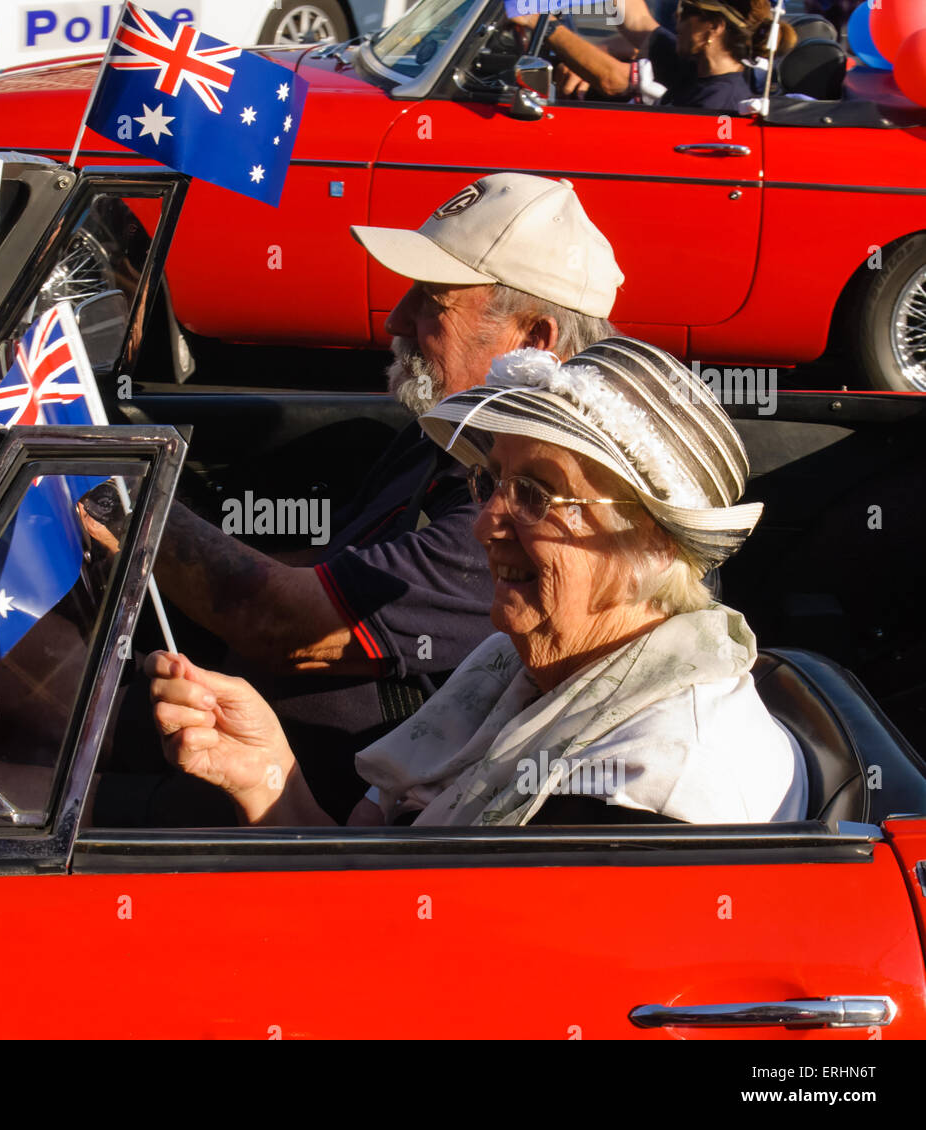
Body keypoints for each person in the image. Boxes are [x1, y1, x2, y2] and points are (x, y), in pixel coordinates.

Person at [99, 173, 622, 823]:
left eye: (432, 301)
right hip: (228, 748)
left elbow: (287, 621)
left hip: (302, 813)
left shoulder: (529, 515)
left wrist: (111, 491)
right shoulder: (445, 440)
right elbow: (324, 567)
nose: (397, 319)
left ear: (533, 339)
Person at [145, 337, 809, 827]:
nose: (485, 524)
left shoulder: (632, 796)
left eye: (538, 495)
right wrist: (266, 775)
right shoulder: (517, 664)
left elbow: (414, 979)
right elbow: (367, 894)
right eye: (489, 484)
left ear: (654, 541)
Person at [514, 0, 797, 111]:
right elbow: (635, 18)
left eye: (686, 11)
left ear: (713, 28)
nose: (677, 17)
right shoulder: (696, 67)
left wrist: (541, 21)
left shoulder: (714, 103)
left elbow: (612, 80)